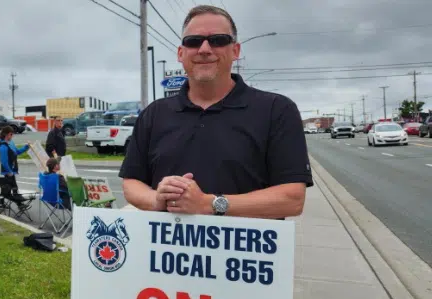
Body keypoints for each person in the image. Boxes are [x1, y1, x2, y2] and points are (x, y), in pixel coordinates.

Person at [118, 5, 312, 219]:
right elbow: (131, 183)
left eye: (218, 40)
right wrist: (156, 199)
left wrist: (209, 203)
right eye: (193, 41)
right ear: (181, 53)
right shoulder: (154, 114)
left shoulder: (277, 110)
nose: (204, 49)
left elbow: (292, 199)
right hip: (167, 250)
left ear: (235, 51)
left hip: (246, 251)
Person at [0, 126, 31, 207]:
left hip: (12, 169)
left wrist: (26, 147)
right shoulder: (3, 146)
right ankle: (19, 204)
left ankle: (1, 203)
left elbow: (17, 152)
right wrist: (9, 172)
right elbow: (4, 161)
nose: (12, 136)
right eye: (11, 134)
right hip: (7, 171)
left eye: (12, 134)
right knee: (13, 188)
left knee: (6, 189)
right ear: (5, 134)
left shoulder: (11, 142)